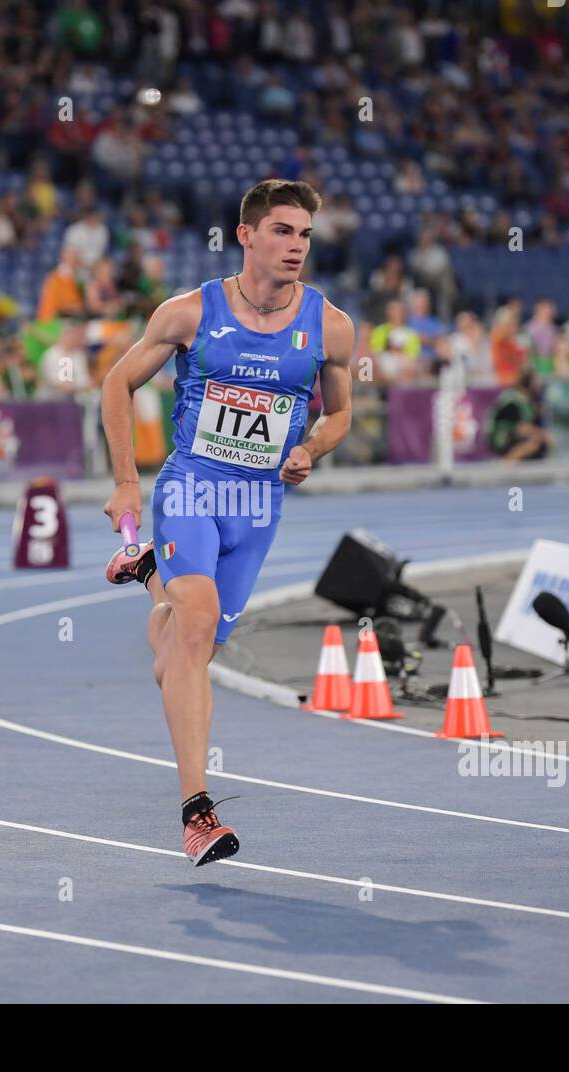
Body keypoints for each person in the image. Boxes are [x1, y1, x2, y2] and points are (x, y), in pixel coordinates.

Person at [99, 179, 355, 866]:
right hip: (192, 487)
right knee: (197, 627)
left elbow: (340, 415)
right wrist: (128, 480)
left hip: (259, 507)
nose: (296, 245)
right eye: (282, 231)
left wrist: (308, 448)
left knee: (182, 654)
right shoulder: (191, 313)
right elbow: (117, 383)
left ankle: (152, 573)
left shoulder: (330, 325)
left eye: (304, 234)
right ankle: (197, 811)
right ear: (246, 235)